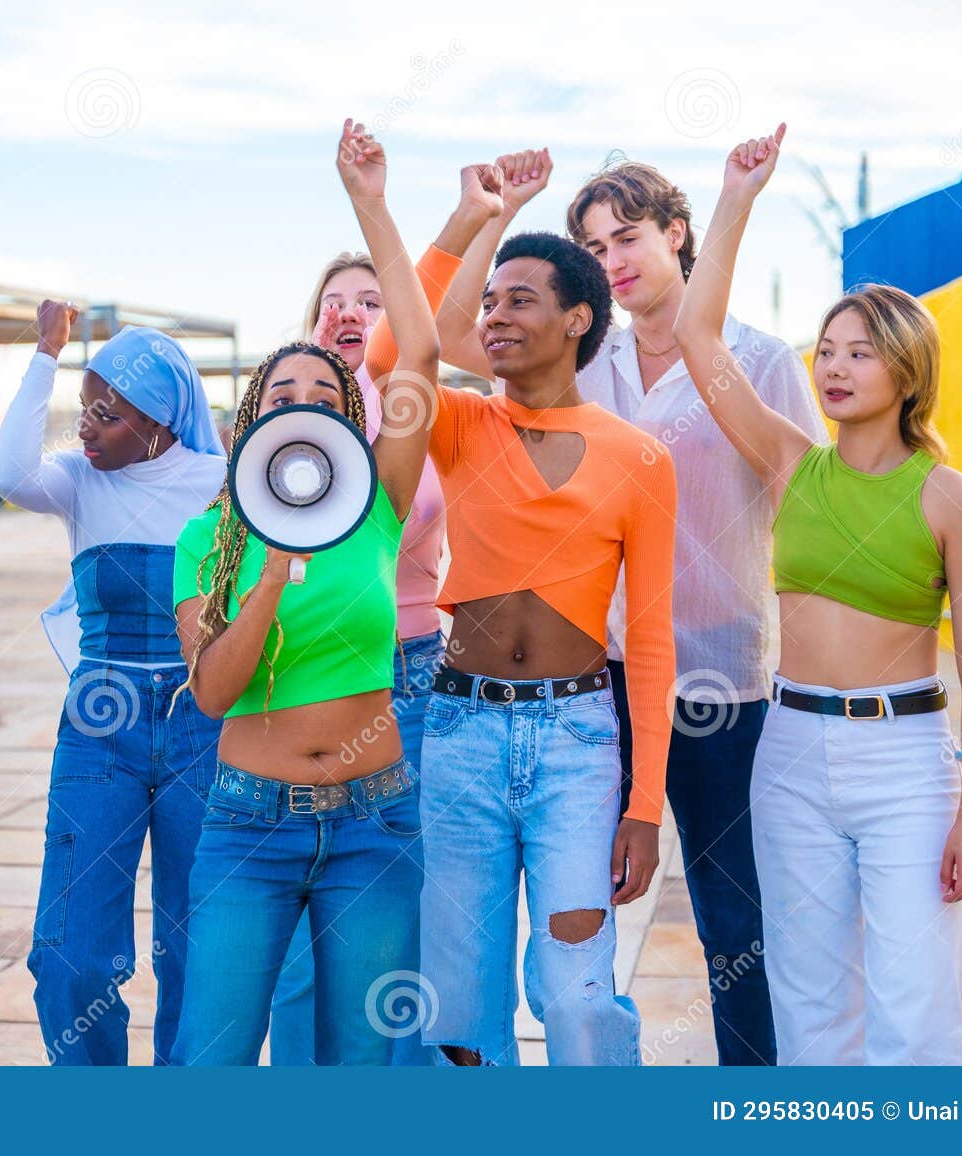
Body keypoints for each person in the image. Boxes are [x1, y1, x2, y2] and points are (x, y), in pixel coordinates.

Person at [440, 150, 827, 1065]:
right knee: (584, 915)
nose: (611, 258)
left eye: (628, 237)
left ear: (677, 235)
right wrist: (499, 215)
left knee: (735, 912)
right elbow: (449, 331)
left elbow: (810, 510)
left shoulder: (760, 362)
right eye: (591, 245)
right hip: (587, 681)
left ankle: (754, 1092)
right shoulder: (578, 351)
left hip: (721, 679)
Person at [673, 124, 962, 1065]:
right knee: (809, 997)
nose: (832, 367)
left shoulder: (950, 496)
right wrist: (736, 197)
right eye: (826, 350)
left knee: (916, 1001)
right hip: (789, 748)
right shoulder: (791, 463)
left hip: (906, 759)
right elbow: (700, 338)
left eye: (858, 352)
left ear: (906, 369)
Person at [169, 120, 438, 1066]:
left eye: (323, 396)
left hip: (376, 816)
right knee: (216, 1056)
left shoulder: (379, 511)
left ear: (350, 421)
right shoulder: (210, 540)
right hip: (249, 822)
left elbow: (421, 357)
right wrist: (272, 568)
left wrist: (370, 200)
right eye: (282, 395)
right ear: (253, 418)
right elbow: (212, 691)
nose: (302, 405)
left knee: (359, 1067)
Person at [415, 148, 680, 1063]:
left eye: (518, 298)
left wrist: (644, 806)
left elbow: (648, 643)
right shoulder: (458, 424)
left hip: (576, 747)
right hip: (459, 738)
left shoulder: (639, 458)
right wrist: (475, 218)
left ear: (578, 319)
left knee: (577, 998)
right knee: (455, 1008)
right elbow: (390, 351)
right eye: (488, 301)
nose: (494, 315)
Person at [268, 162, 502, 1066]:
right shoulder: (278, 417)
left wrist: (478, 221)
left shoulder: (429, 406)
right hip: (294, 676)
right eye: (336, 299)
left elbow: (426, 340)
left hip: (409, 673)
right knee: (293, 913)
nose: (354, 310)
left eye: (374, 296)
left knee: (396, 908)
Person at [0, 303, 227, 1065]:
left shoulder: (222, 485)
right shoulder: (76, 482)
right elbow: (6, 475)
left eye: (107, 413)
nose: (85, 427)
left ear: (160, 420)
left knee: (200, 946)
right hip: (102, 723)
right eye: (82, 409)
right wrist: (46, 354)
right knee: (69, 954)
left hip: (206, 724)